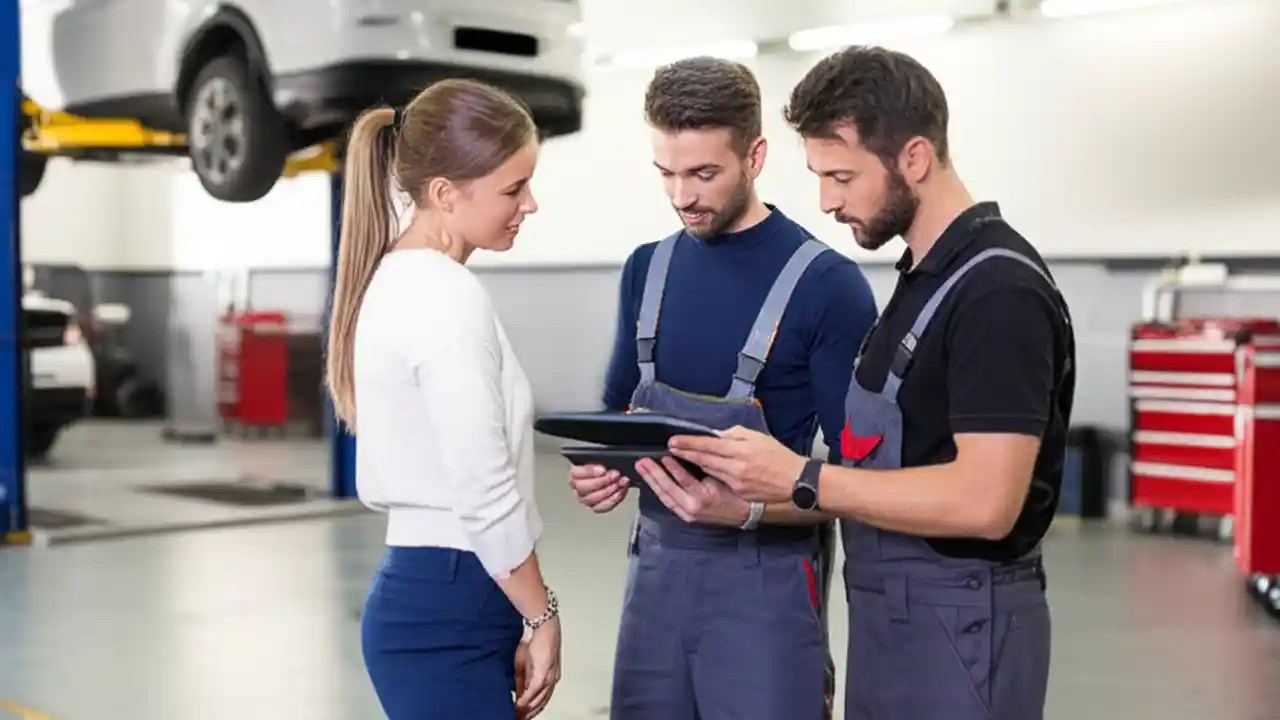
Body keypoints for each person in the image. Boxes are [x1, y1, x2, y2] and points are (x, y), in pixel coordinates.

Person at [657, 46, 1077, 720]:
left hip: (963, 623)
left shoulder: (998, 292)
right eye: (820, 176)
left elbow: (987, 500)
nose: (826, 201)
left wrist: (803, 477)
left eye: (843, 176)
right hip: (891, 617)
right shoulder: (923, 281)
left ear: (913, 158)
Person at [567, 57, 878, 720]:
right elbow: (614, 415)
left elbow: (866, 484)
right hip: (653, 578)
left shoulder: (828, 287)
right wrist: (605, 469)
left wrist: (747, 511)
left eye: (705, 173)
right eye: (668, 174)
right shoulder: (645, 270)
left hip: (763, 588)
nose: (684, 196)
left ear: (756, 154)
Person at [325, 79, 562, 720]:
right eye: (513, 188)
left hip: (450, 594)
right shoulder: (441, 295)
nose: (529, 204)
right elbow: (483, 488)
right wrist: (541, 615)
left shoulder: (406, 280)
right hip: (448, 603)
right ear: (443, 194)